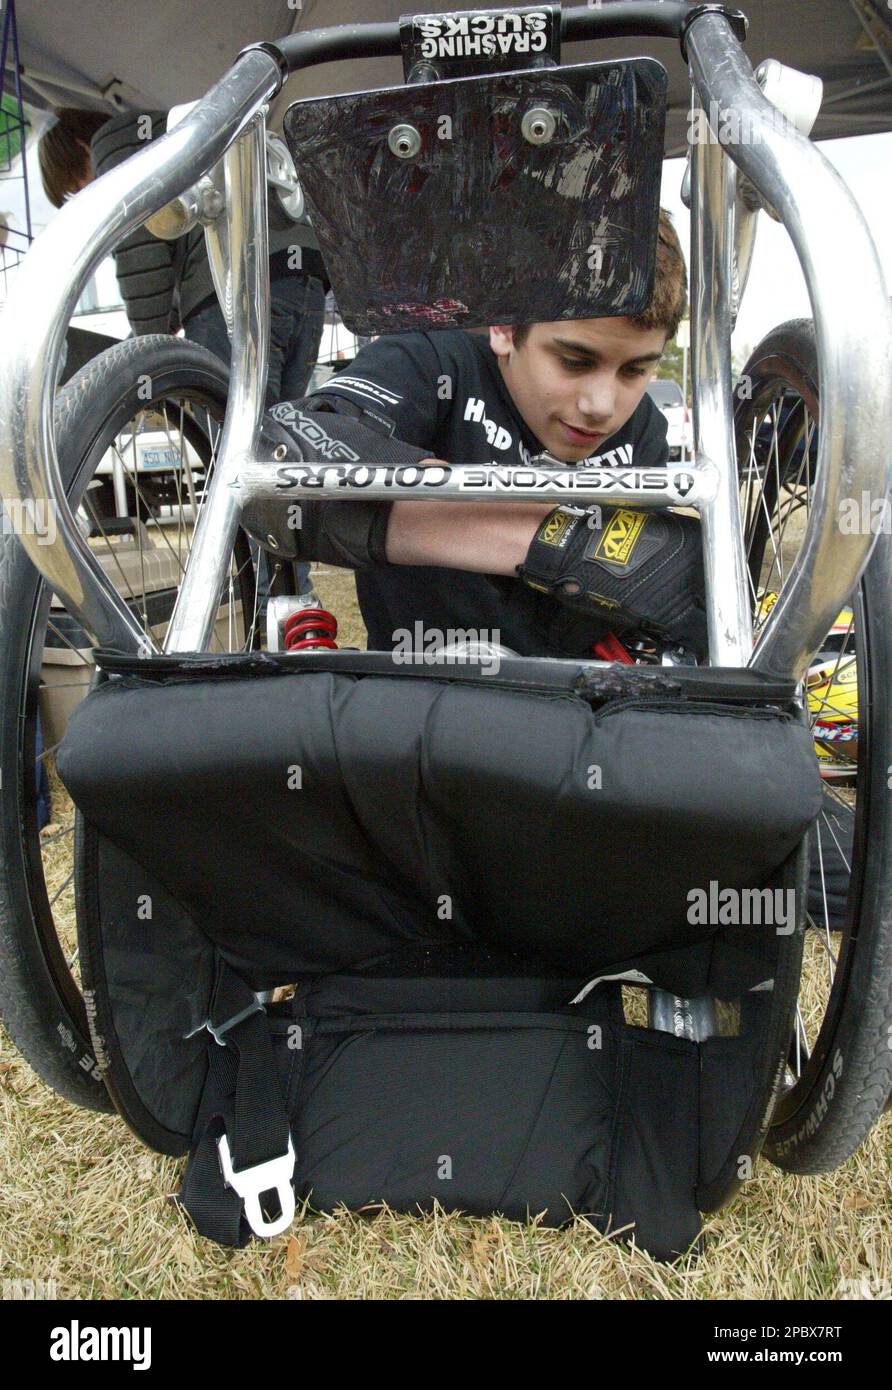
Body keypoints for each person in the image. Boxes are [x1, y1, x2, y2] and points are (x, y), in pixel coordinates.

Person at [249, 209, 708, 660]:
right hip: (423, 695)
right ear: (505, 326)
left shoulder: (645, 426)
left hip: (578, 713)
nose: (602, 405)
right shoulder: (434, 363)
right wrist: (555, 543)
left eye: (635, 370)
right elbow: (285, 459)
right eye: (574, 361)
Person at [39, 106, 329, 594]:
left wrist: (147, 352)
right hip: (304, 284)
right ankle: (293, 608)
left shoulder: (118, 147)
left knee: (240, 466)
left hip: (235, 292)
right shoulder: (184, 125)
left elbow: (140, 255)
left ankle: (265, 612)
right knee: (279, 458)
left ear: (83, 152)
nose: (84, 198)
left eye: (76, 187)